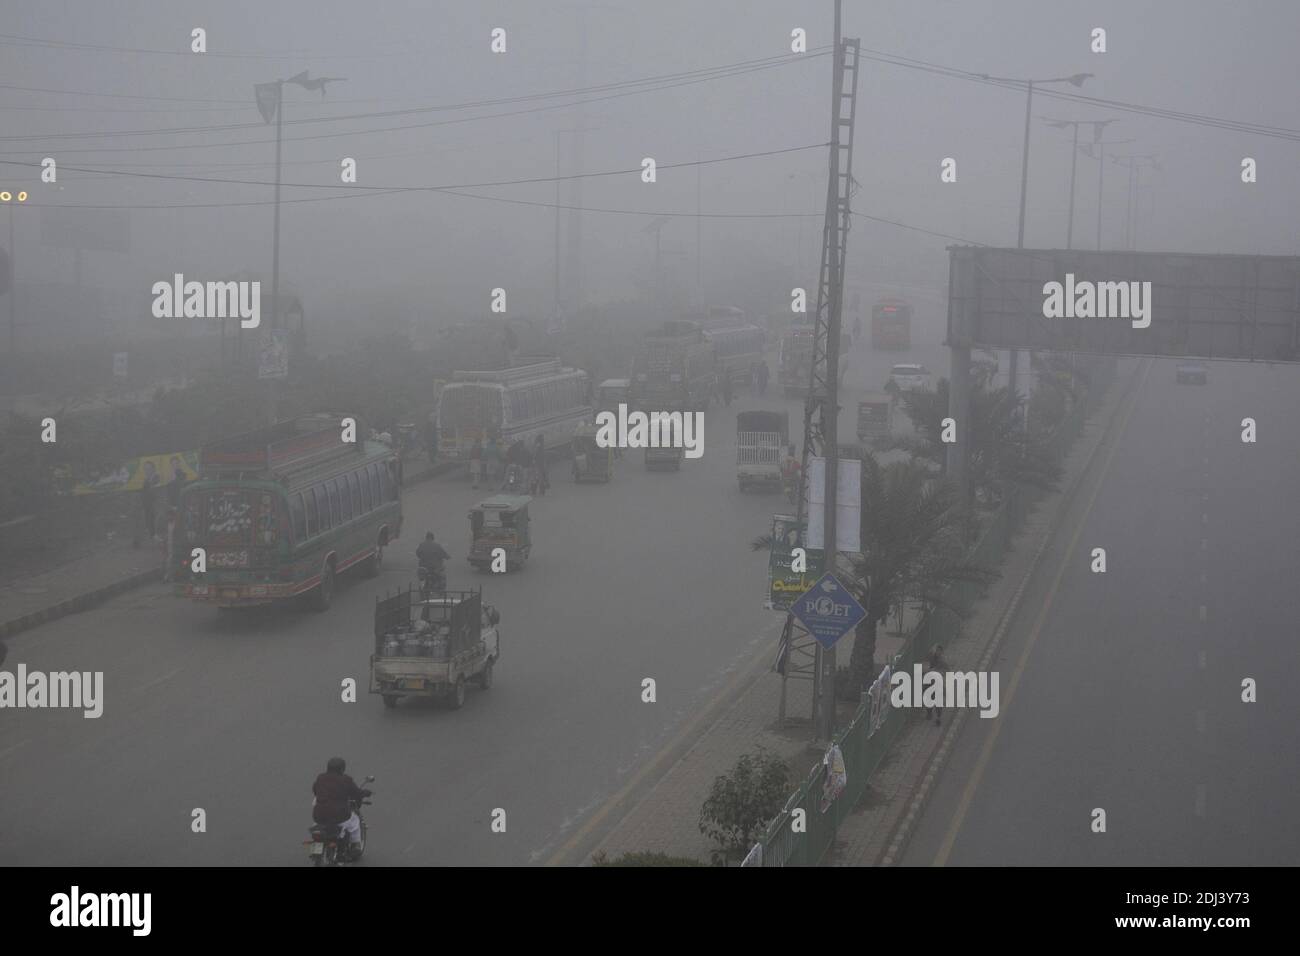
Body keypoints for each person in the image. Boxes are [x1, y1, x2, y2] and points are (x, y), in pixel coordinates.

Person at [312, 757, 371, 856]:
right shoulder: (346, 780)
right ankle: (356, 845)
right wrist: (365, 793)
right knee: (355, 822)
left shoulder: (321, 777)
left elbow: (315, 789)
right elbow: (356, 793)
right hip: (339, 815)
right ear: (342, 769)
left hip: (318, 815)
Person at [924, 645, 950, 726]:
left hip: (938, 683)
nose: (937, 653)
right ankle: (929, 713)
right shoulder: (932, 657)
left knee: (938, 701)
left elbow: (946, 671)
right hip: (930, 681)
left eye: (939, 651)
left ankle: (938, 717)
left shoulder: (943, 661)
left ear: (941, 652)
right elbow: (927, 665)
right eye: (936, 651)